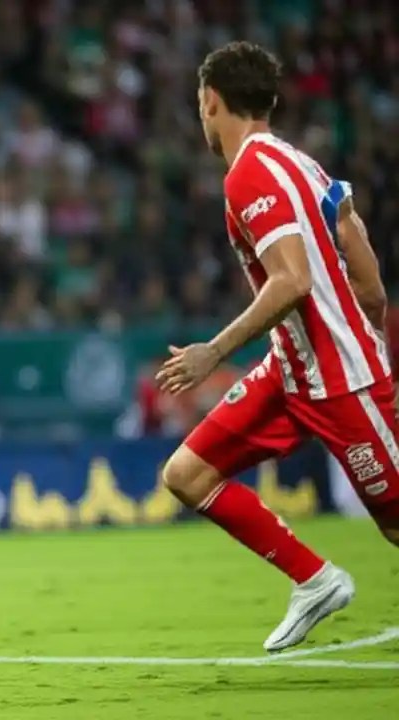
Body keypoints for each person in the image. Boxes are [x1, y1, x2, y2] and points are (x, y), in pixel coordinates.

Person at [156, 42, 396, 654]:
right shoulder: (300, 163)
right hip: (291, 371)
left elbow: (293, 279)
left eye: (199, 106)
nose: (201, 118)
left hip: (341, 379)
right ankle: (315, 581)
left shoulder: (249, 174)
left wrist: (213, 350)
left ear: (212, 102)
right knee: (187, 473)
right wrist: (368, 314)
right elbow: (354, 238)